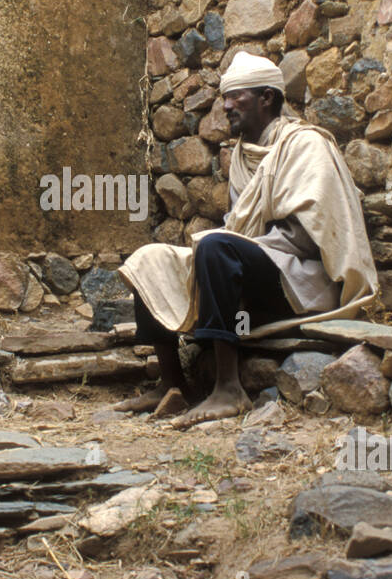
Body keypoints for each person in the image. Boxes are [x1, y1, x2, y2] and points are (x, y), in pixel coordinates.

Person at [118, 50, 378, 427]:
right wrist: (239, 244)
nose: (225, 106)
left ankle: (228, 389)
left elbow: (312, 239)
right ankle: (171, 384)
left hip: (300, 280)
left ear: (266, 98)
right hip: (247, 271)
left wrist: (245, 244)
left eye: (235, 96)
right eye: (224, 97)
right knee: (150, 258)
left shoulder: (306, 145)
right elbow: (243, 229)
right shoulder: (242, 155)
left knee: (214, 246)